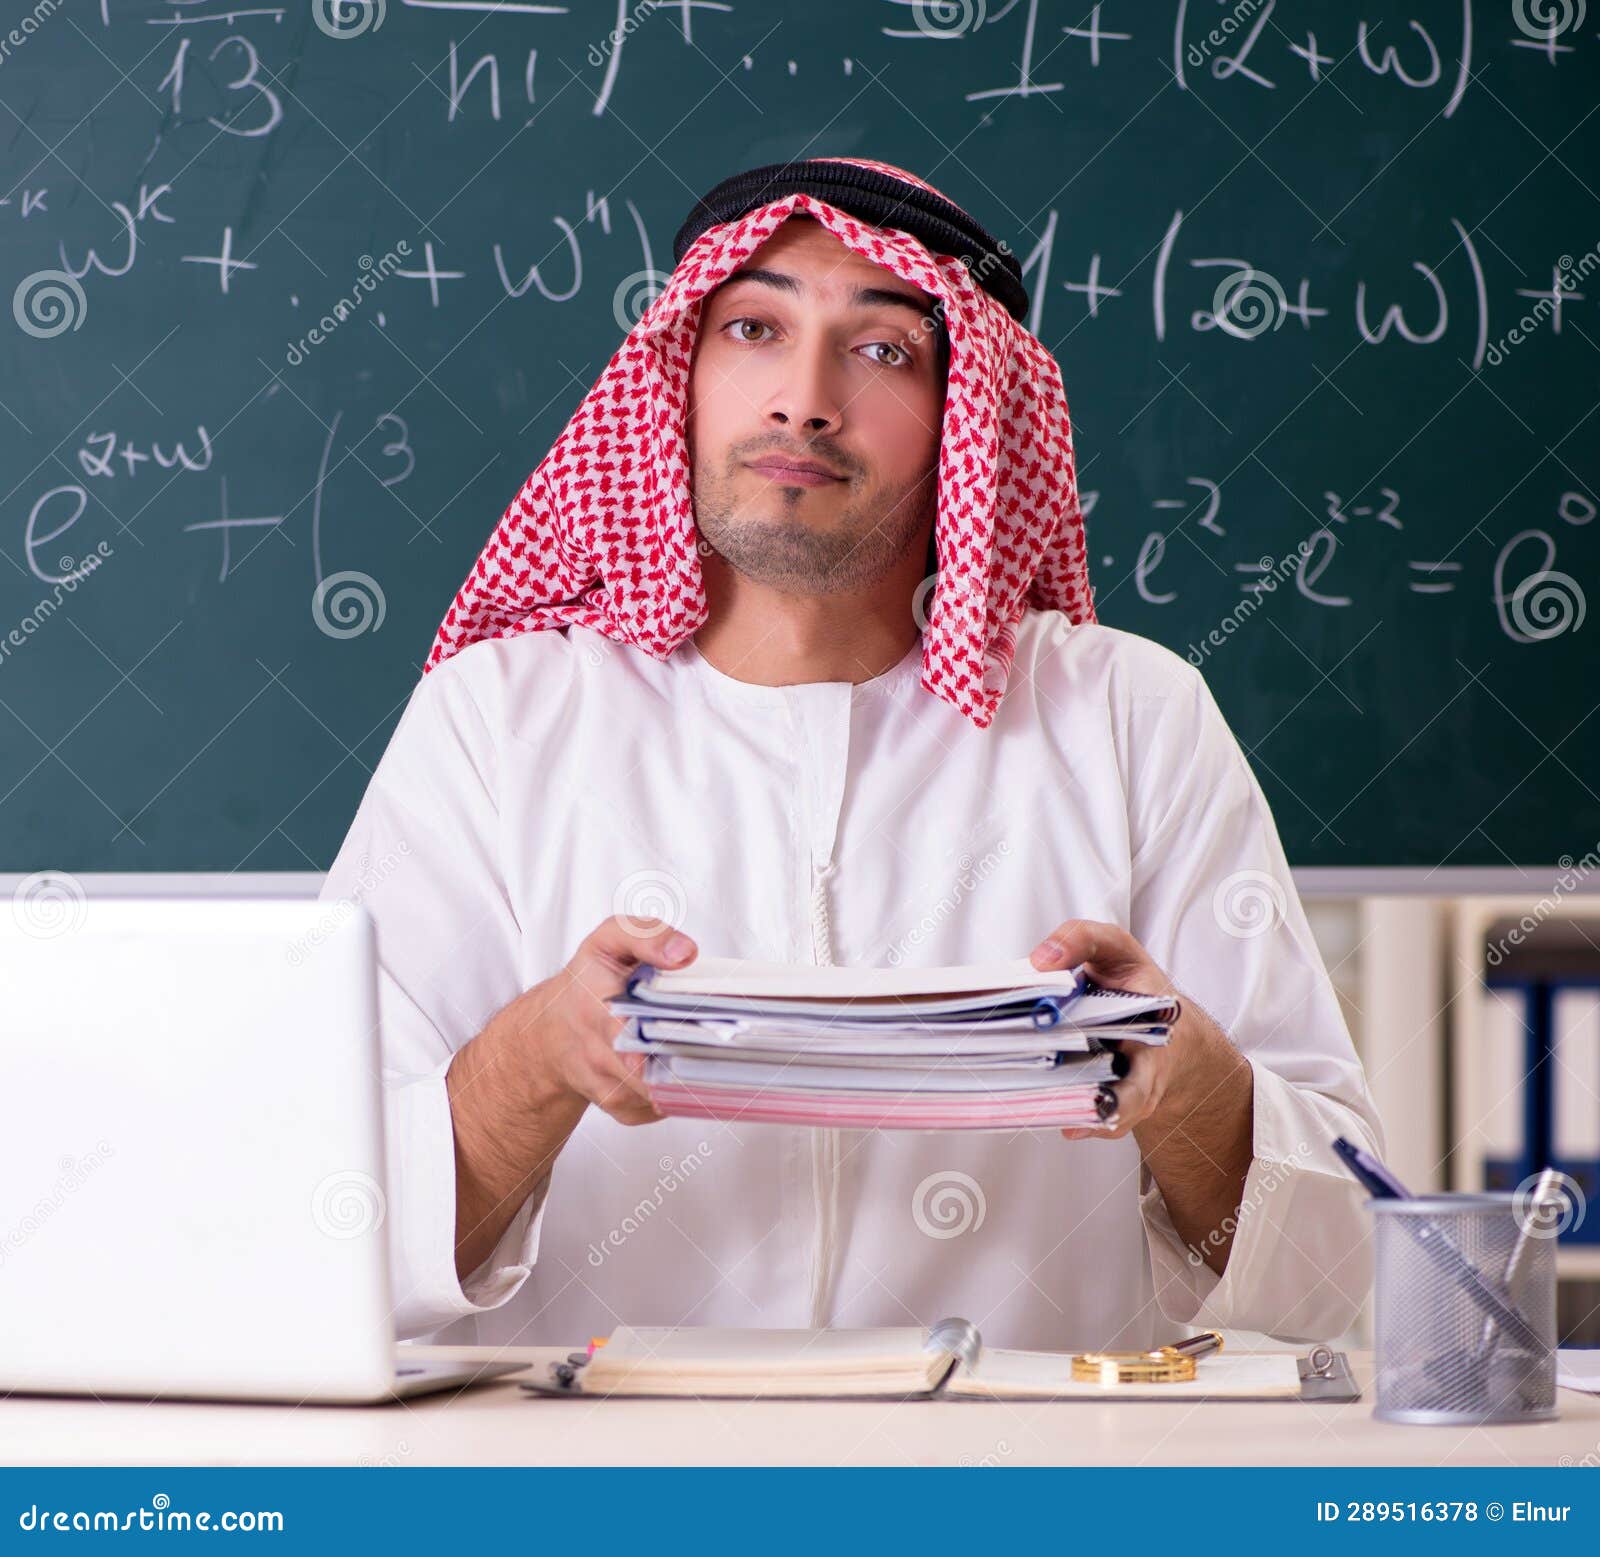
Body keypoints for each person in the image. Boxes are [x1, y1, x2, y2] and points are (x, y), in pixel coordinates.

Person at [320, 157, 1384, 1348]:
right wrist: (539, 1055)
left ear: (967, 415)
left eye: (881, 350)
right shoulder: (496, 721)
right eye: (754, 330)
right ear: (680, 375)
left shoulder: (1128, 717)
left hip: (1019, 1461)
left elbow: (1334, 1277)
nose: (805, 400)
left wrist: (1181, 1077)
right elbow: (320, 1246)